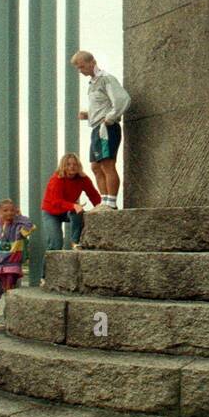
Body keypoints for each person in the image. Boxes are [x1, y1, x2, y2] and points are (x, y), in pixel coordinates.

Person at [70, 50, 130, 209]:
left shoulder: (106, 79)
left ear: (92, 62)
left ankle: (111, 202)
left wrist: (110, 118)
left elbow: (122, 99)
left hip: (106, 128)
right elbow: (103, 106)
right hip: (96, 127)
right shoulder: (93, 83)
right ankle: (104, 200)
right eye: (78, 68)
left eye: (82, 66)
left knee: (107, 164)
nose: (80, 71)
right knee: (95, 166)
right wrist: (88, 115)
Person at [41, 153, 102, 261]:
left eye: (75, 164)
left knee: (79, 211)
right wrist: (73, 205)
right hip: (51, 212)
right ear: (63, 166)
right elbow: (56, 201)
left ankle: (75, 242)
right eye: (68, 164)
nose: (72, 167)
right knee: (56, 244)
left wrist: (101, 208)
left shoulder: (83, 179)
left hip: (66, 210)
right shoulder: (57, 179)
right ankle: (45, 276)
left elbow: (93, 195)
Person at [0, 198, 35, 293]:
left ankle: (9, 299)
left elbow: (30, 226)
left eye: (12, 210)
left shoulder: (18, 225)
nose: (9, 212)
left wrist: (20, 216)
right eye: (5, 210)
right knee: (4, 285)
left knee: (10, 283)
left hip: (13, 259)